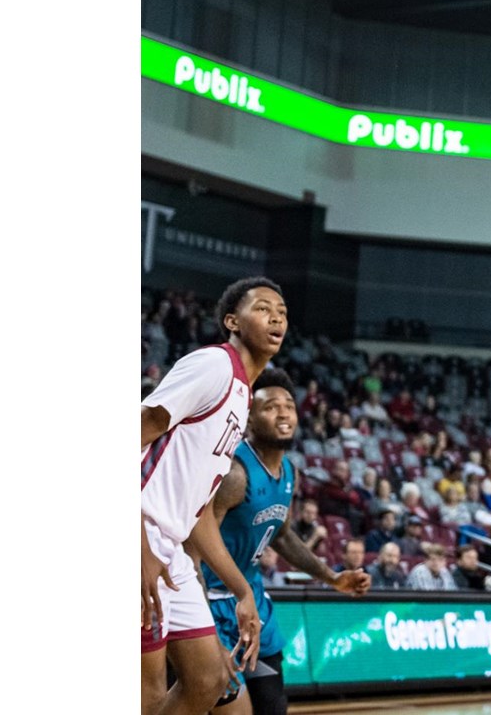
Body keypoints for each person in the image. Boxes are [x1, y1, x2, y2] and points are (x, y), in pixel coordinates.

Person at [188, 365, 372, 715]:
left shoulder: (289, 471)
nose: (284, 413)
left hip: (252, 604)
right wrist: (203, 629)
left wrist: (331, 577)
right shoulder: (234, 474)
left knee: (272, 706)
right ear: (250, 419)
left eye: (288, 405)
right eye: (271, 407)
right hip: (211, 603)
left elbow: (282, 535)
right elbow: (192, 552)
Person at [141, 277, 284, 715]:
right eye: (262, 308)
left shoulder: (241, 397)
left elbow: (198, 511)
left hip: (171, 547)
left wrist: (242, 591)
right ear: (232, 321)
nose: (276, 318)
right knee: (147, 696)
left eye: (281, 312)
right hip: (142, 532)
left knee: (209, 678)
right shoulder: (214, 365)